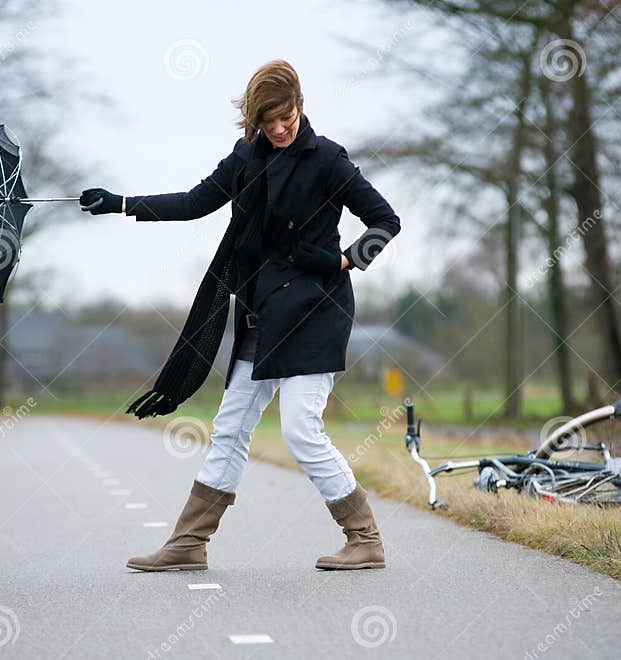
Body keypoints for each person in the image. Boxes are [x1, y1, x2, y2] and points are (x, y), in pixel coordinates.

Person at [79, 59, 400, 571]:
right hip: (260, 312)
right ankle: (189, 543)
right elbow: (193, 201)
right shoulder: (245, 158)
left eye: (286, 116)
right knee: (229, 429)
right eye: (267, 120)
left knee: (300, 430)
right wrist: (121, 203)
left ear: (300, 104)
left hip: (316, 312)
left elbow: (386, 220)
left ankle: (364, 538)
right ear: (253, 119)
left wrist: (344, 260)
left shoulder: (328, 160)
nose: (278, 128)